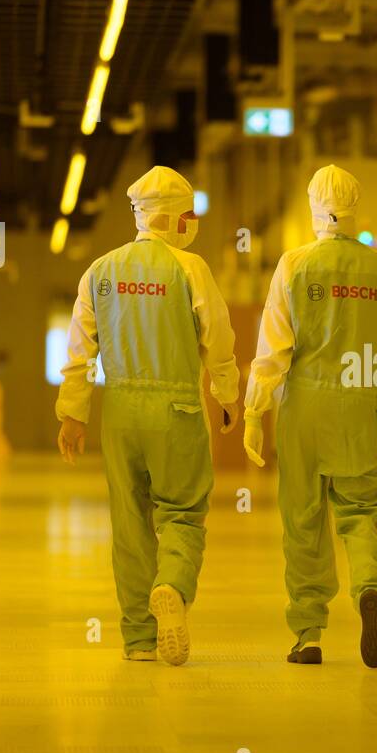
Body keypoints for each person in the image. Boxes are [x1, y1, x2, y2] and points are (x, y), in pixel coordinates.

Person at [56, 166, 240, 666]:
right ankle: (173, 587)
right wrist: (226, 393)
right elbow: (217, 338)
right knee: (182, 512)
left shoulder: (101, 270)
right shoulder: (190, 268)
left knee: (130, 522)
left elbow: (78, 352)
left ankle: (138, 637)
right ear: (176, 219)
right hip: (176, 407)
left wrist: (73, 414)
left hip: (119, 412)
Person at [243, 164, 377, 668]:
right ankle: (369, 592)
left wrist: (253, 408)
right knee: (361, 515)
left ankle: (308, 634)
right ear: (356, 208)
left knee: (304, 519)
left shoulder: (294, 265)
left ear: (314, 208)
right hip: (363, 406)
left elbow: (273, 348)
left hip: (306, 410)